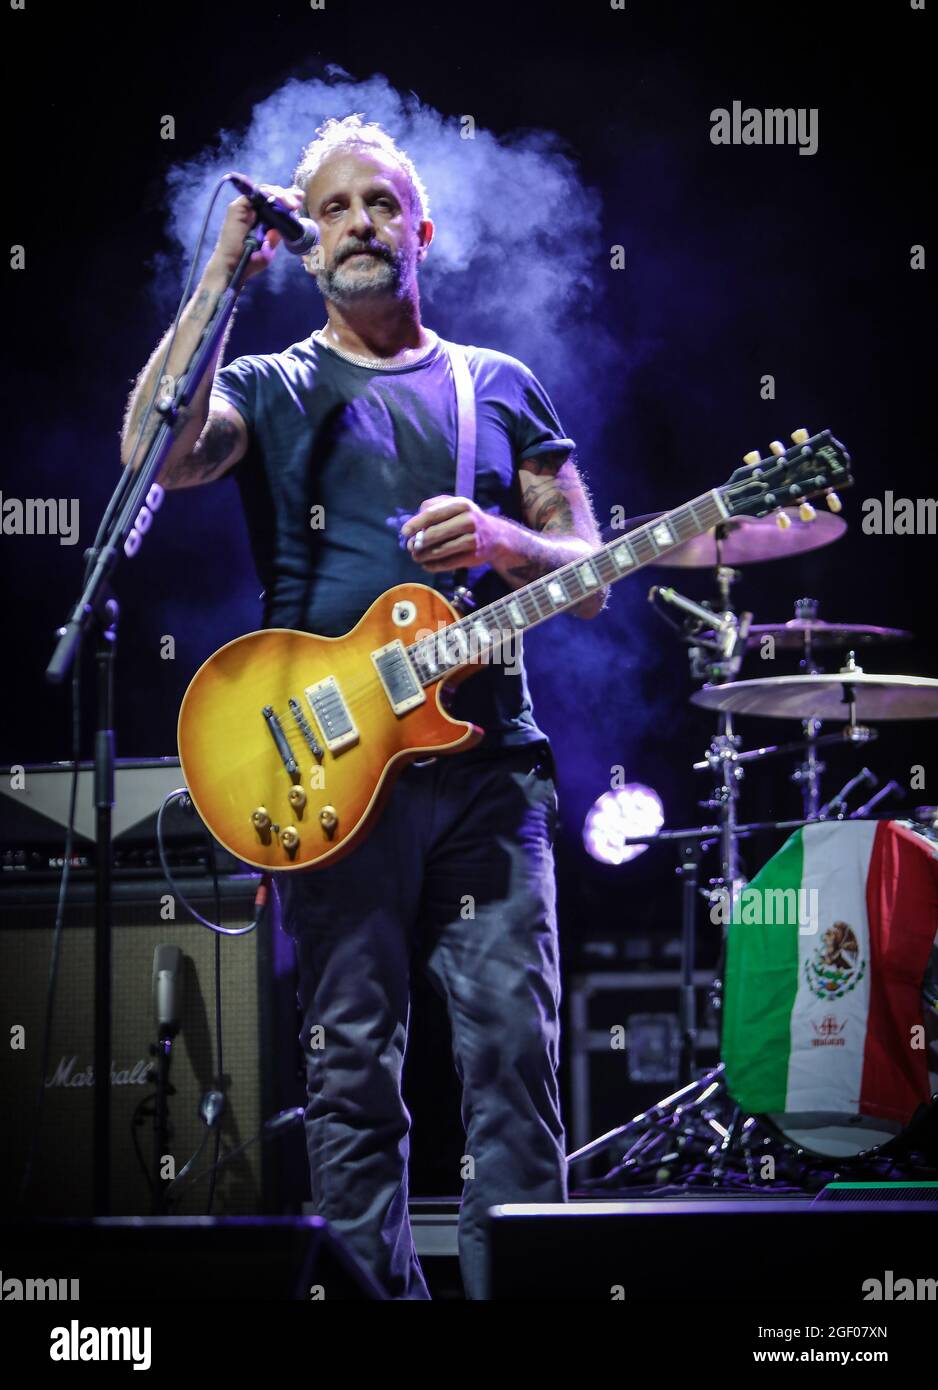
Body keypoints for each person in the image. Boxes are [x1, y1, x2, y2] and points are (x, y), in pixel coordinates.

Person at [121, 115, 608, 1299]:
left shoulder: (496, 385)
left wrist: (501, 539)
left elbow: (588, 567)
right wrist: (217, 276)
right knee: (348, 1086)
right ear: (302, 241)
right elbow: (150, 450)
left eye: (380, 204)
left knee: (513, 1073)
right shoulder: (272, 384)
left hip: (490, 773)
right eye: (332, 208)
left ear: (421, 231)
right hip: (324, 781)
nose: (357, 225)